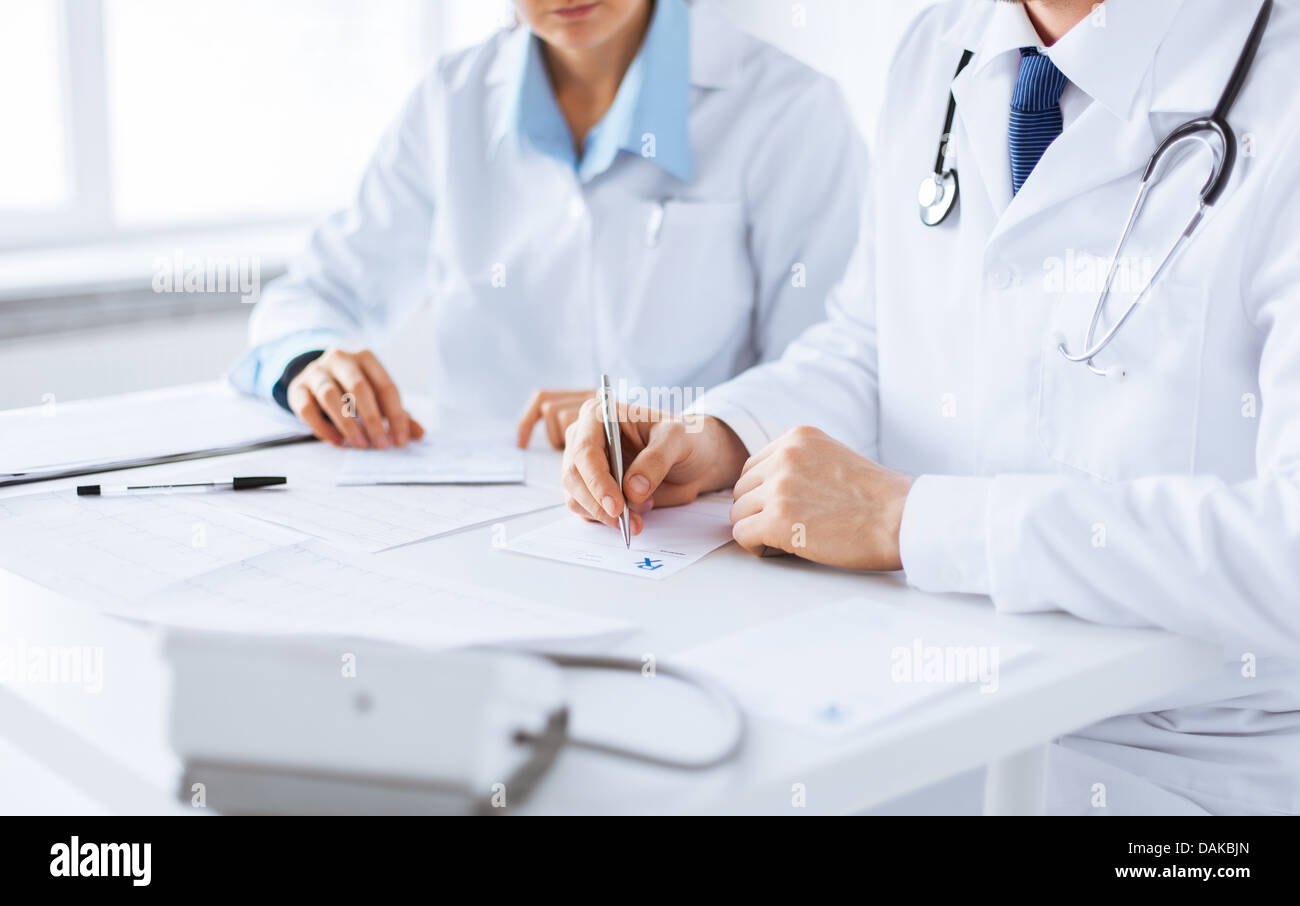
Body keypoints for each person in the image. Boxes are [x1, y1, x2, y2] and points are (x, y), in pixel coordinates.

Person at [562, 0, 1300, 815]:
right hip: (936, 704)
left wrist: (914, 522)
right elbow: (871, 342)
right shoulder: (942, 46)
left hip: (1191, 767)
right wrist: (722, 434)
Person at [229, 0, 864, 450]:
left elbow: (828, 375)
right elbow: (316, 294)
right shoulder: (450, 99)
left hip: (688, 522)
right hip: (470, 517)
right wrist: (309, 358)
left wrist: (677, 425)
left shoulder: (790, 109)